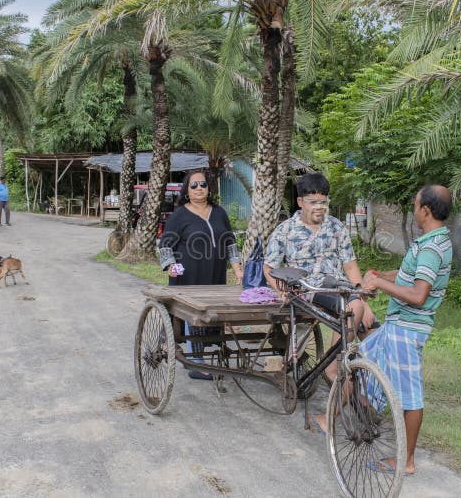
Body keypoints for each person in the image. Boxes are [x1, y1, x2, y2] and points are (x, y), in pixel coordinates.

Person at [359, 184, 453, 476]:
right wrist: (379, 274)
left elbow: (417, 294)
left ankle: (406, 461)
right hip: (396, 325)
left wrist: (378, 285)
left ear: (425, 210)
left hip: (408, 329)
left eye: (415, 205)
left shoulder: (431, 248)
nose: (414, 210)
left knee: (410, 397)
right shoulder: (431, 241)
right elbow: (406, 277)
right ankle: (359, 418)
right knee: (361, 358)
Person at [263, 172, 377, 400]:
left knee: (373, 332)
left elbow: (351, 266)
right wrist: (281, 289)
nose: (319, 207)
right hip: (309, 289)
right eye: (313, 202)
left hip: (341, 288)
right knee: (354, 311)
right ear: (300, 202)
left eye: (323, 202)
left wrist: (363, 299)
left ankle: (367, 399)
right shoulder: (285, 230)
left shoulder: (337, 228)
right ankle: (334, 366)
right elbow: (269, 269)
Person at [158, 169, 244, 380]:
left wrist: (237, 269)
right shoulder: (179, 215)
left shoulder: (219, 212)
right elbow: (165, 244)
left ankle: (188, 348)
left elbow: (230, 242)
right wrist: (170, 266)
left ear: (209, 188)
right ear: (187, 190)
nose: (199, 189)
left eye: (203, 184)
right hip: (188, 276)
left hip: (214, 276)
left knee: (210, 315)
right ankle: (196, 363)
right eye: (194, 185)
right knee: (192, 315)